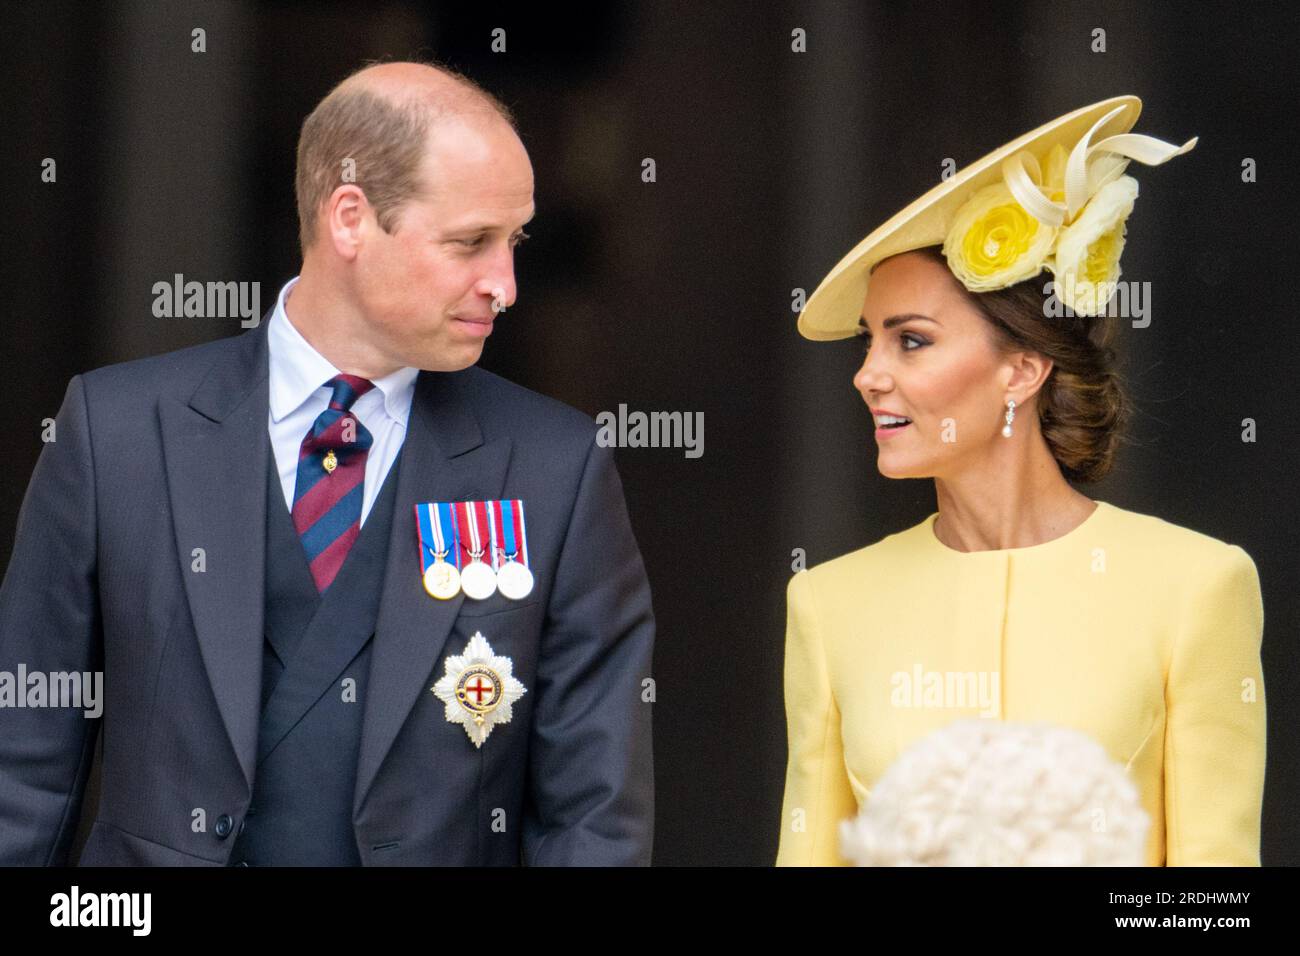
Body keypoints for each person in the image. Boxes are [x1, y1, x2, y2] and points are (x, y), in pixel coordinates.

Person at [0, 61, 655, 866]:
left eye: (514, 241)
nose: (506, 284)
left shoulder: (555, 466)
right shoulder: (117, 433)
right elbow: (23, 763)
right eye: (472, 242)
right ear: (350, 218)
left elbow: (591, 817)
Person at [776, 95, 1265, 866]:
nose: (868, 375)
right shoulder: (828, 605)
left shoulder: (1198, 587)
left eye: (911, 341)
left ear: (1023, 369)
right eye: (870, 343)